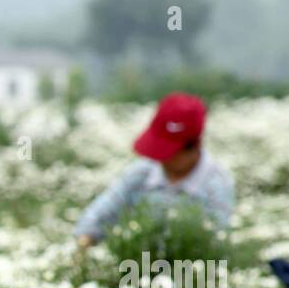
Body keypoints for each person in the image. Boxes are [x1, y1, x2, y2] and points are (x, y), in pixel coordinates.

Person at [74, 92, 235, 249]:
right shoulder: (141, 173)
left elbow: (216, 245)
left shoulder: (216, 185)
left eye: (169, 152)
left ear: (195, 146)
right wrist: (85, 241)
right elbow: (97, 216)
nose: (162, 159)